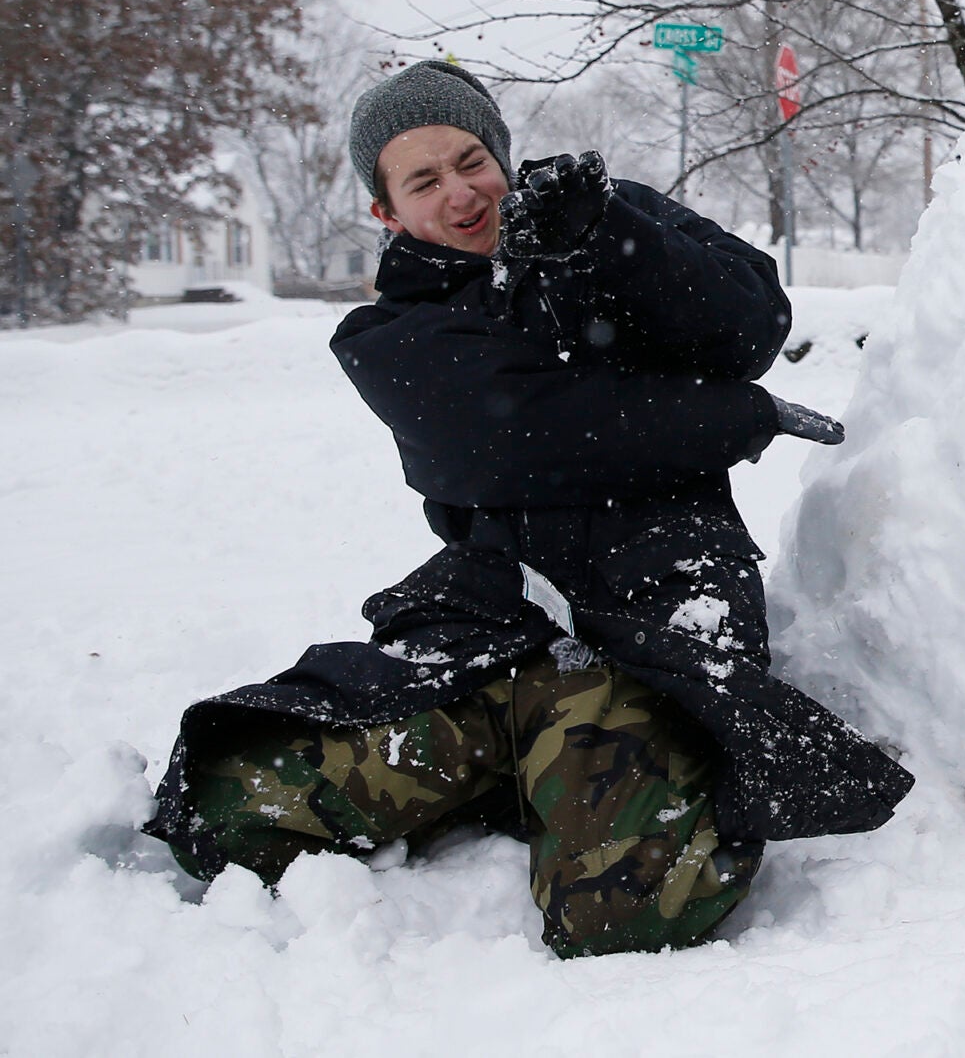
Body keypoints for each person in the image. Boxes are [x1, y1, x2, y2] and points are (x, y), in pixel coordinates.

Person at [144, 60, 911, 957]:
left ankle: (563, 755)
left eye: (471, 159)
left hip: (662, 607)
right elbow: (535, 436)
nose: (461, 192)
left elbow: (751, 324)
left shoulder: (609, 213)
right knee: (228, 808)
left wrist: (611, 235)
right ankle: (519, 756)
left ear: (500, 153)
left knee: (623, 907)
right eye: (423, 181)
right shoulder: (390, 336)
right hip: (495, 624)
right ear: (386, 211)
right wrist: (734, 417)